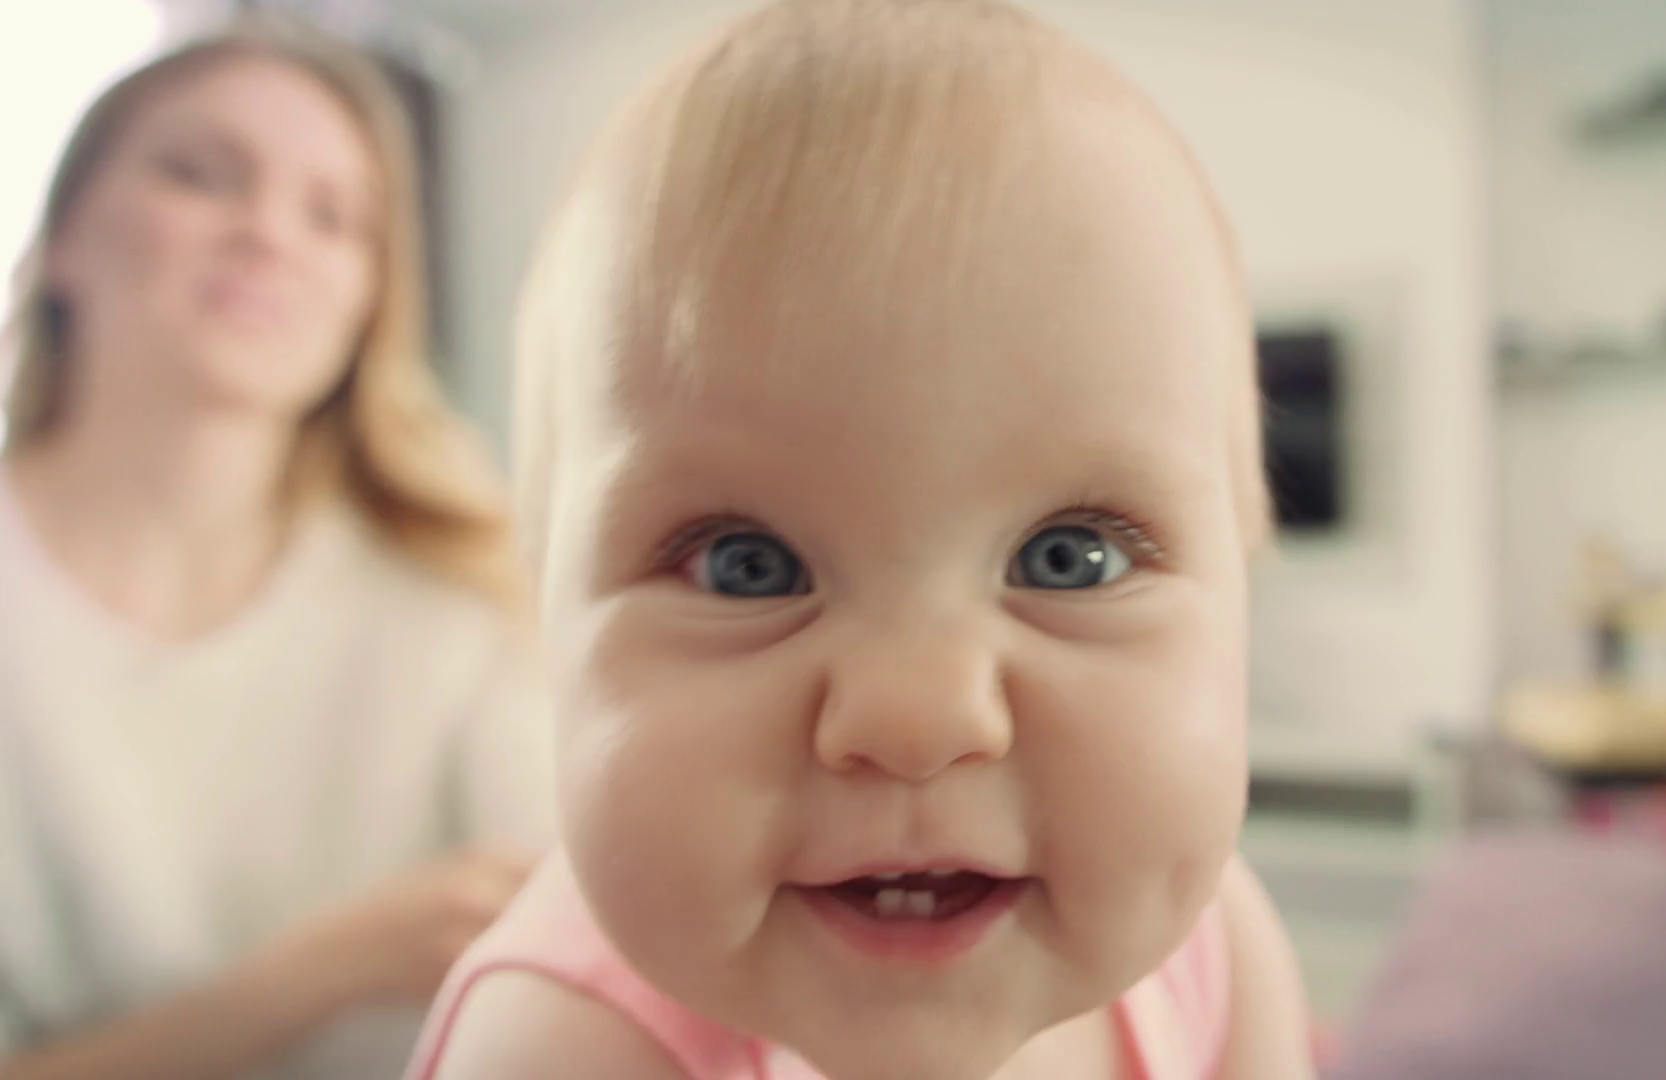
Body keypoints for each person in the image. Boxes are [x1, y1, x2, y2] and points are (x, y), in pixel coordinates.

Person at [406, 0, 1315, 1077]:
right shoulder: (563, 1050)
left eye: (1071, 556)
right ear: (543, 613)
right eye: (747, 568)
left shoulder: (1215, 951)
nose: (916, 719)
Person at [0, 18, 554, 1080]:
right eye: (201, 175)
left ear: (365, 304)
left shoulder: (457, 603)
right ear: (63, 236)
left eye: (335, 218)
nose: (269, 233)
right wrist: (316, 973)